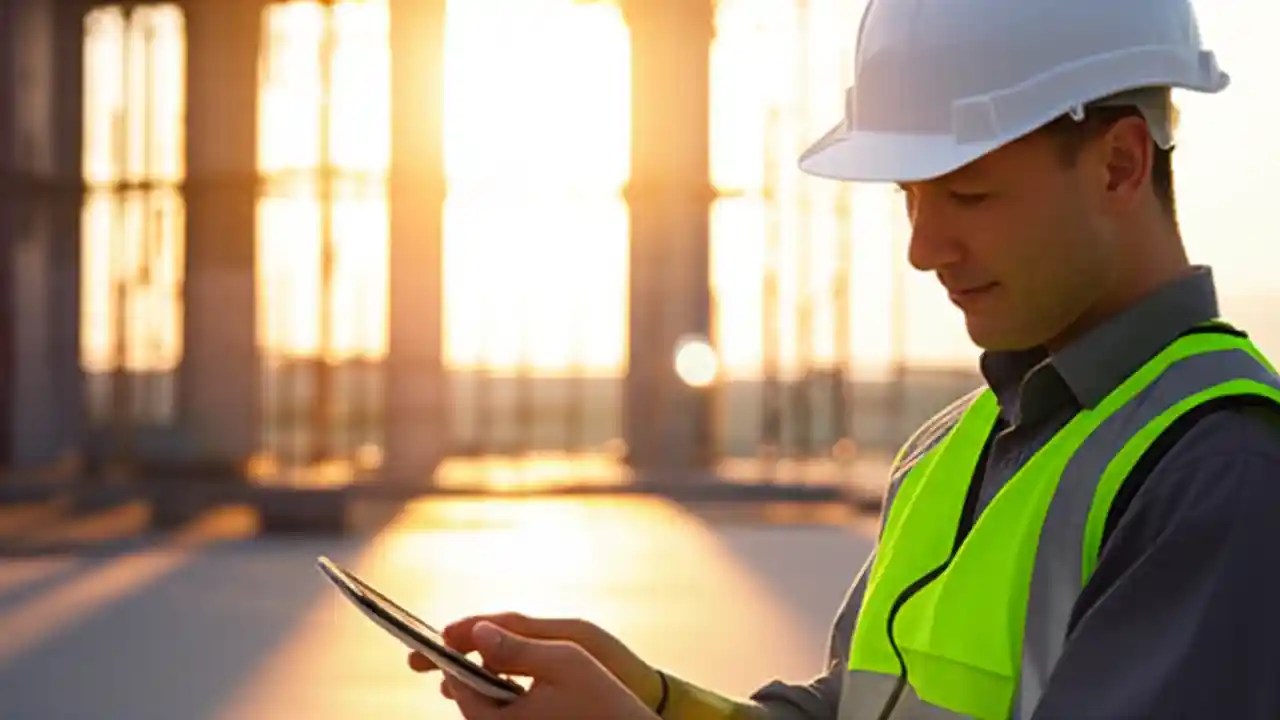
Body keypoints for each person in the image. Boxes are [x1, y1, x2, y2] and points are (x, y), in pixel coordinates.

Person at [409, 0, 1280, 717]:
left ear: (1120, 164)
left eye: (969, 195)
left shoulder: (1223, 476)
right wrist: (657, 700)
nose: (923, 247)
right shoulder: (960, 446)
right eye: (909, 197)